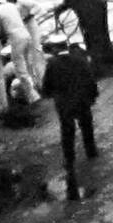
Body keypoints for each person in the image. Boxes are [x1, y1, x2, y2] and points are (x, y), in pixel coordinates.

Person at [40, 32, 99, 201]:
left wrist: (47, 93)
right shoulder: (80, 59)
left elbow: (47, 86)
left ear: (54, 48)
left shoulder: (52, 64)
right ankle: (91, 150)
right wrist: (93, 95)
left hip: (65, 103)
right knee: (87, 125)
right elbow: (90, 78)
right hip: (82, 100)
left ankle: (69, 158)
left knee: (67, 131)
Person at [52, 0, 113, 68]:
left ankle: (98, 65)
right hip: (99, 10)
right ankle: (110, 60)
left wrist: (57, 10)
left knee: (91, 39)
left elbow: (69, 1)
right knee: (103, 35)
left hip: (89, 16)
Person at [0, 0, 47, 84]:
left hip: (31, 26)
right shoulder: (9, 2)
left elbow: (37, 7)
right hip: (23, 29)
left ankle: (42, 80)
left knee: (36, 54)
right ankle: (35, 81)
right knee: (27, 58)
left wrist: (28, 17)